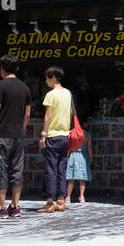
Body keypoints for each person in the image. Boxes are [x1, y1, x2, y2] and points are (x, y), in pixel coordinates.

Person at [0, 54, 31, 219]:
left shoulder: (0, 86)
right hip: (18, 134)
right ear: (17, 68)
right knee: (17, 169)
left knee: (0, 170)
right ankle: (15, 206)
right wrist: (22, 129)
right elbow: (27, 113)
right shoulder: (25, 88)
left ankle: (1, 207)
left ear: (2, 68)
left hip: (2, 134)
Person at [39, 66, 72, 213]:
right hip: (65, 136)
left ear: (52, 77)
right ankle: (61, 200)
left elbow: (48, 115)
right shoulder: (68, 93)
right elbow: (70, 112)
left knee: (50, 169)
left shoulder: (51, 95)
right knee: (61, 169)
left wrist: (43, 134)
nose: (46, 81)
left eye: (47, 78)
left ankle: (49, 201)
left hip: (52, 135)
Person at [66, 107, 91, 204]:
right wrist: (90, 158)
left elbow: (69, 147)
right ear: (83, 123)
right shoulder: (87, 134)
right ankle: (81, 196)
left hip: (73, 155)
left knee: (71, 178)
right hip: (83, 156)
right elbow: (89, 148)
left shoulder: (71, 133)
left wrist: (67, 157)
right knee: (82, 178)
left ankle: (68, 197)